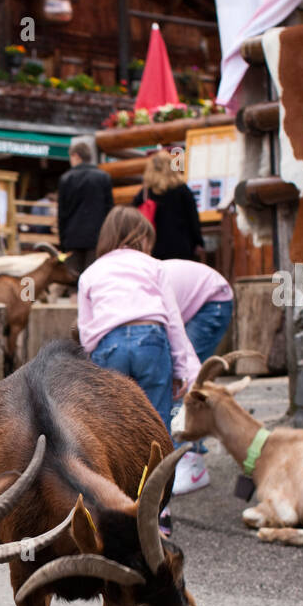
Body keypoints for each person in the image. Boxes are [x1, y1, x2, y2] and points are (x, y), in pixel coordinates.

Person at [76, 206, 199, 534]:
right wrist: (184, 368)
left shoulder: (90, 273)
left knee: (108, 428)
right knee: (157, 425)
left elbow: (86, 329)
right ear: (140, 237)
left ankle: (113, 508)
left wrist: (94, 365)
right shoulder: (153, 265)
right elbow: (172, 318)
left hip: (109, 345)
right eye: (148, 239)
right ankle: (158, 514)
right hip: (151, 339)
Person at [161, 258, 235, 494]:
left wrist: (185, 372)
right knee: (176, 375)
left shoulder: (144, 287)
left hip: (213, 301)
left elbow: (175, 335)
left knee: (181, 379)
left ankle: (191, 461)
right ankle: (187, 450)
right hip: (198, 298)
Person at [133, 150, 205, 261]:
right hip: (181, 245)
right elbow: (193, 218)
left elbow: (135, 216)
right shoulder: (182, 189)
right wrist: (198, 242)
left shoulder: (145, 192)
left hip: (154, 247)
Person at [57, 135, 114, 276]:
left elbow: (62, 213)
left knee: (73, 280)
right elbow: (110, 210)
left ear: (76, 156)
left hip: (72, 237)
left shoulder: (66, 179)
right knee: (95, 277)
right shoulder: (103, 177)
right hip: (98, 237)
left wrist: (62, 241)